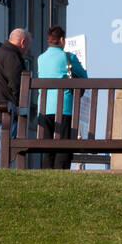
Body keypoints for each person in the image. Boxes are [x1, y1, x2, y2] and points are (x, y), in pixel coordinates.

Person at [37, 26, 87, 170]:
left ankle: (47, 173)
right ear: (62, 40)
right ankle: (61, 171)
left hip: (44, 108)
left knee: (48, 145)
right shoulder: (68, 57)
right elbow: (84, 77)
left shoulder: (41, 59)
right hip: (64, 108)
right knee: (64, 144)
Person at [0, 29, 30, 169]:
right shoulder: (12, 56)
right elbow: (16, 85)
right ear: (23, 42)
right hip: (5, 112)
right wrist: (20, 106)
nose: (27, 49)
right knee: (4, 147)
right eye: (28, 45)